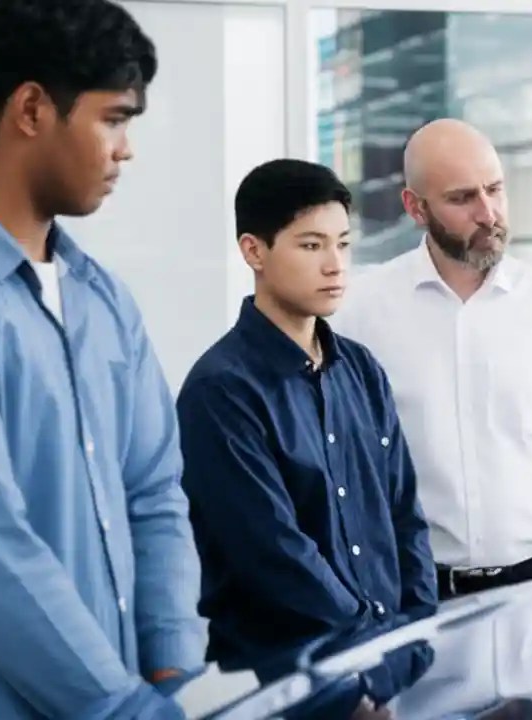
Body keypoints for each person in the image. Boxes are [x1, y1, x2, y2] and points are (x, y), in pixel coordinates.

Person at [0, 1, 204, 718]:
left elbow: (154, 493)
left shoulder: (103, 300)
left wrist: (168, 663)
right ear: (32, 109)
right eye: (113, 119)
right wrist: (123, 706)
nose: (126, 149)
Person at [332, 118, 532, 601]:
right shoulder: (359, 316)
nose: (489, 213)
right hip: (415, 597)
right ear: (416, 207)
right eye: (462, 198)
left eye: (495, 189)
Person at [176, 159, 437, 717]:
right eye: (311, 245)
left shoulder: (361, 370)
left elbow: (405, 516)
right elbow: (273, 555)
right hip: (287, 687)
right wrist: (363, 662)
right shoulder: (221, 390)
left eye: (342, 244)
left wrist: (410, 641)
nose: (335, 265)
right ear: (254, 251)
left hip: (385, 670)